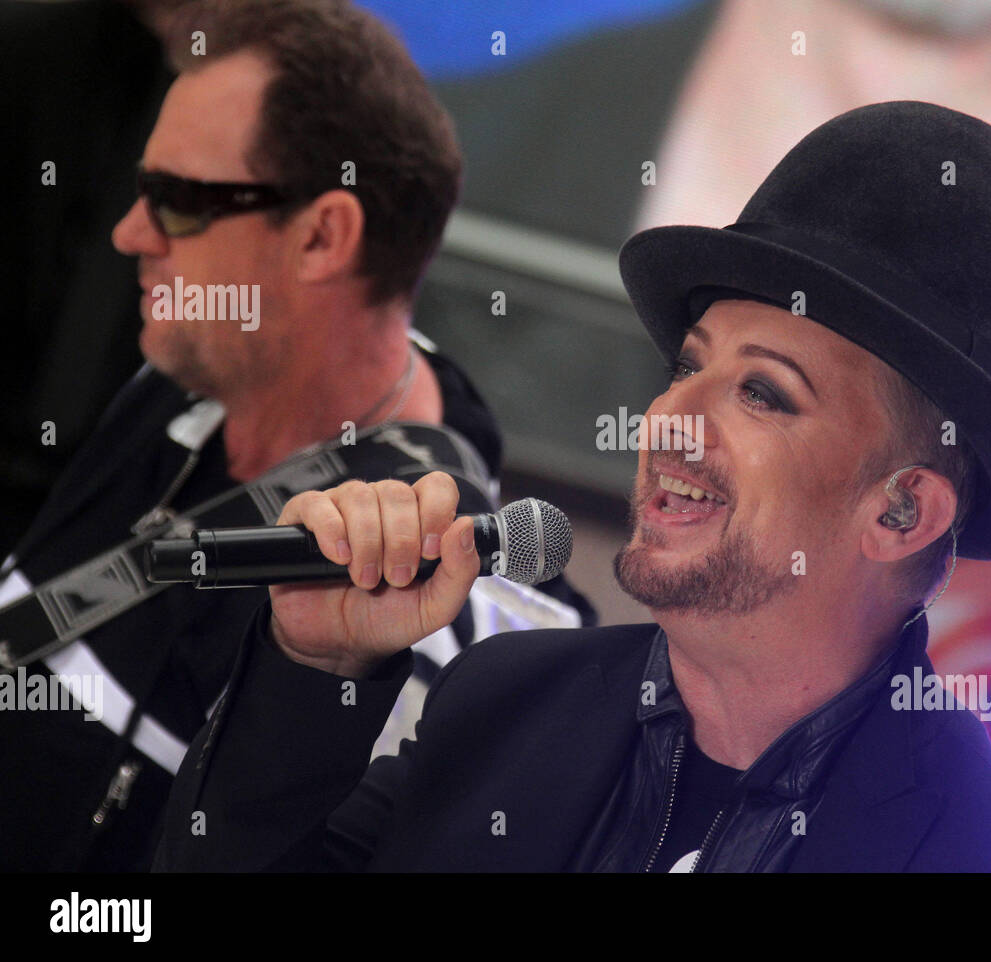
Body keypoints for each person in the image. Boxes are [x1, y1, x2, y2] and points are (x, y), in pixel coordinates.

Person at [155, 102, 991, 872]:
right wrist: (318, 672)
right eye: (682, 369)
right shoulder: (503, 706)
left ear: (901, 511)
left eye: (764, 393)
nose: (670, 419)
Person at [0, 0, 586, 872]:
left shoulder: (427, 598)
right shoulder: (182, 378)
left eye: (178, 204)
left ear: (321, 236)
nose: (131, 234)